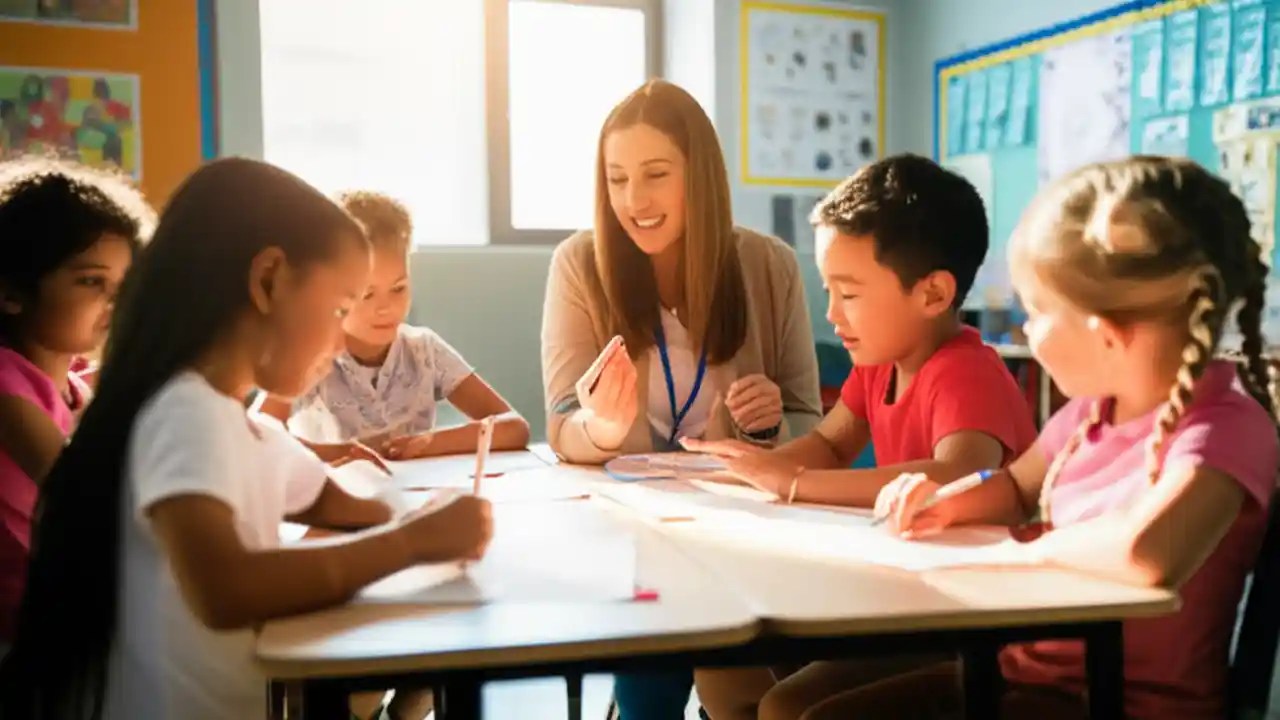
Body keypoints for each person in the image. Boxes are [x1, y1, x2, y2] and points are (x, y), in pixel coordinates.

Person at [0, 158, 493, 720]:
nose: (340, 339)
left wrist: (418, 516)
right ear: (267, 281)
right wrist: (410, 542)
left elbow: (341, 502)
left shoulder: (242, 427)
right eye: (337, 308)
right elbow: (226, 588)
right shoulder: (182, 413)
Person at [795, 157, 1280, 719]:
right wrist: (944, 504)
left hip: (1118, 704)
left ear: (1107, 330)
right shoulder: (1091, 413)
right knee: (807, 714)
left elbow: (1147, 551)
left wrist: (1018, 553)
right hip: (1018, 678)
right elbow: (1012, 488)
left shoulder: (1226, 427)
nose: (1027, 331)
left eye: (1040, 312)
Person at [690, 153, 1037, 719]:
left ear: (932, 294)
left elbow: (957, 475)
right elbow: (829, 444)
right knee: (724, 664)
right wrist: (753, 471)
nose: (830, 313)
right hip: (899, 601)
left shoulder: (966, 370)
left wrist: (796, 483)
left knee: (784, 706)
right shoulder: (880, 363)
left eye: (848, 294)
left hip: (964, 625)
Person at [540, 79, 822, 718]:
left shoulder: (770, 265)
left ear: (700, 176)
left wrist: (771, 424)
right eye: (616, 180)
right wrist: (603, 426)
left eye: (655, 174)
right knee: (652, 673)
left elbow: (811, 417)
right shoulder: (579, 263)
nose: (633, 201)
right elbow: (561, 423)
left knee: (742, 685)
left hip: (742, 527)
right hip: (632, 528)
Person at [260, 190, 529, 470]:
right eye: (367, 294)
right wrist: (338, 453)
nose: (385, 308)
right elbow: (260, 435)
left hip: (414, 498)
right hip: (334, 502)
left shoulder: (424, 350)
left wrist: (428, 443)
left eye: (398, 289)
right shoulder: (313, 352)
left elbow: (514, 428)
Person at [0, 157, 153, 645]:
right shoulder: (5, 384)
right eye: (91, 282)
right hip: (23, 634)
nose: (114, 302)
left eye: (122, 286)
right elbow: (77, 489)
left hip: (73, 610)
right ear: (11, 291)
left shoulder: (79, 382)